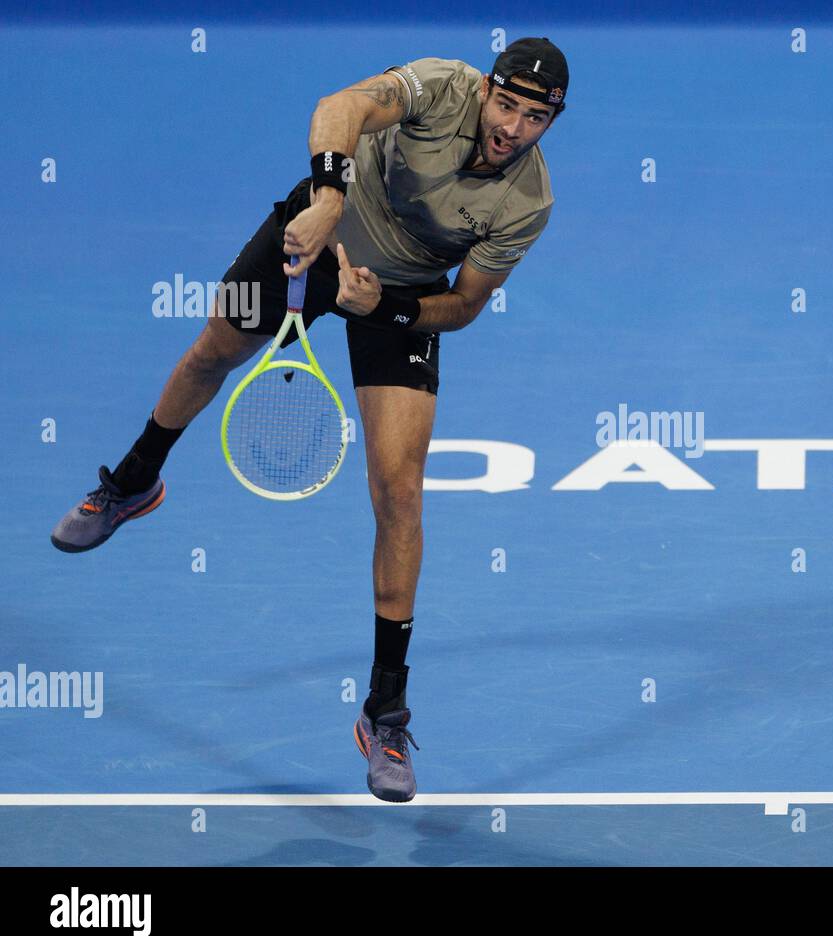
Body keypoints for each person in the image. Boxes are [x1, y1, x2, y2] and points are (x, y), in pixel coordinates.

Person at [50, 37, 569, 803]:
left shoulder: (528, 202)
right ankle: (132, 481)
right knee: (208, 357)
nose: (512, 127)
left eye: (535, 117)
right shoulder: (440, 87)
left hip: (399, 295)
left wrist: (381, 307)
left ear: (551, 121)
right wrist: (328, 195)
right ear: (487, 89)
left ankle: (385, 710)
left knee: (401, 491)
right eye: (507, 104)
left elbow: (461, 305)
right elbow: (342, 106)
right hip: (317, 234)